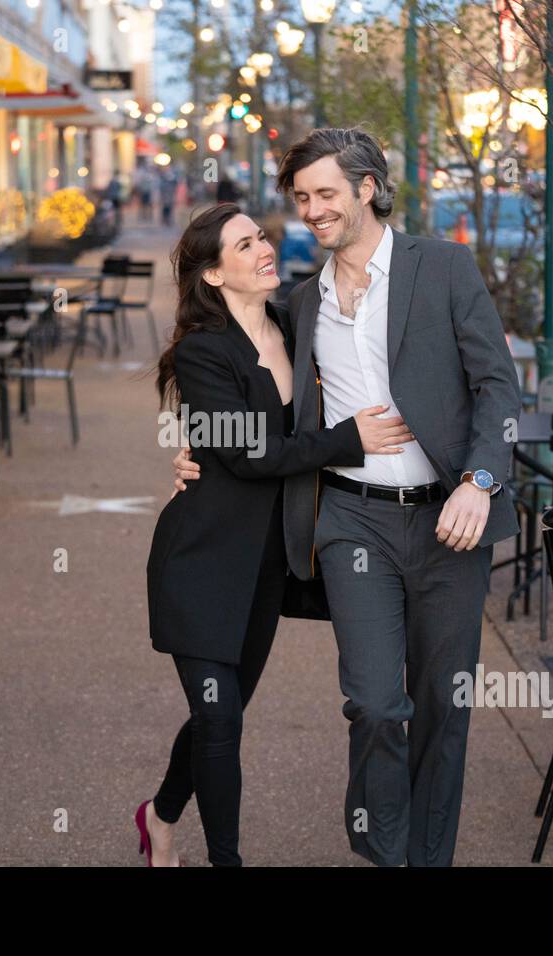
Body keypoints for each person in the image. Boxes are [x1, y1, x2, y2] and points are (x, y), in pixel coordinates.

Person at [171, 128, 521, 866]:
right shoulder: (300, 305)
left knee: (441, 710)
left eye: (326, 193)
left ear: (366, 187)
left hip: (450, 523)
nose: (312, 210)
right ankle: (380, 851)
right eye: (301, 198)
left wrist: (480, 481)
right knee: (373, 704)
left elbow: (498, 386)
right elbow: (253, 400)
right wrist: (201, 453)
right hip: (352, 522)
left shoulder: (445, 268)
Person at [137, 202, 414, 867]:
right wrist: (350, 441)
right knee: (220, 719)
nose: (263, 248)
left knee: (220, 716)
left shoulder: (297, 325)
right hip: (200, 562)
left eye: (260, 236)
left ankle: (159, 813)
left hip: (265, 567)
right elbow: (250, 453)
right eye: (243, 245)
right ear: (212, 275)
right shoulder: (204, 353)